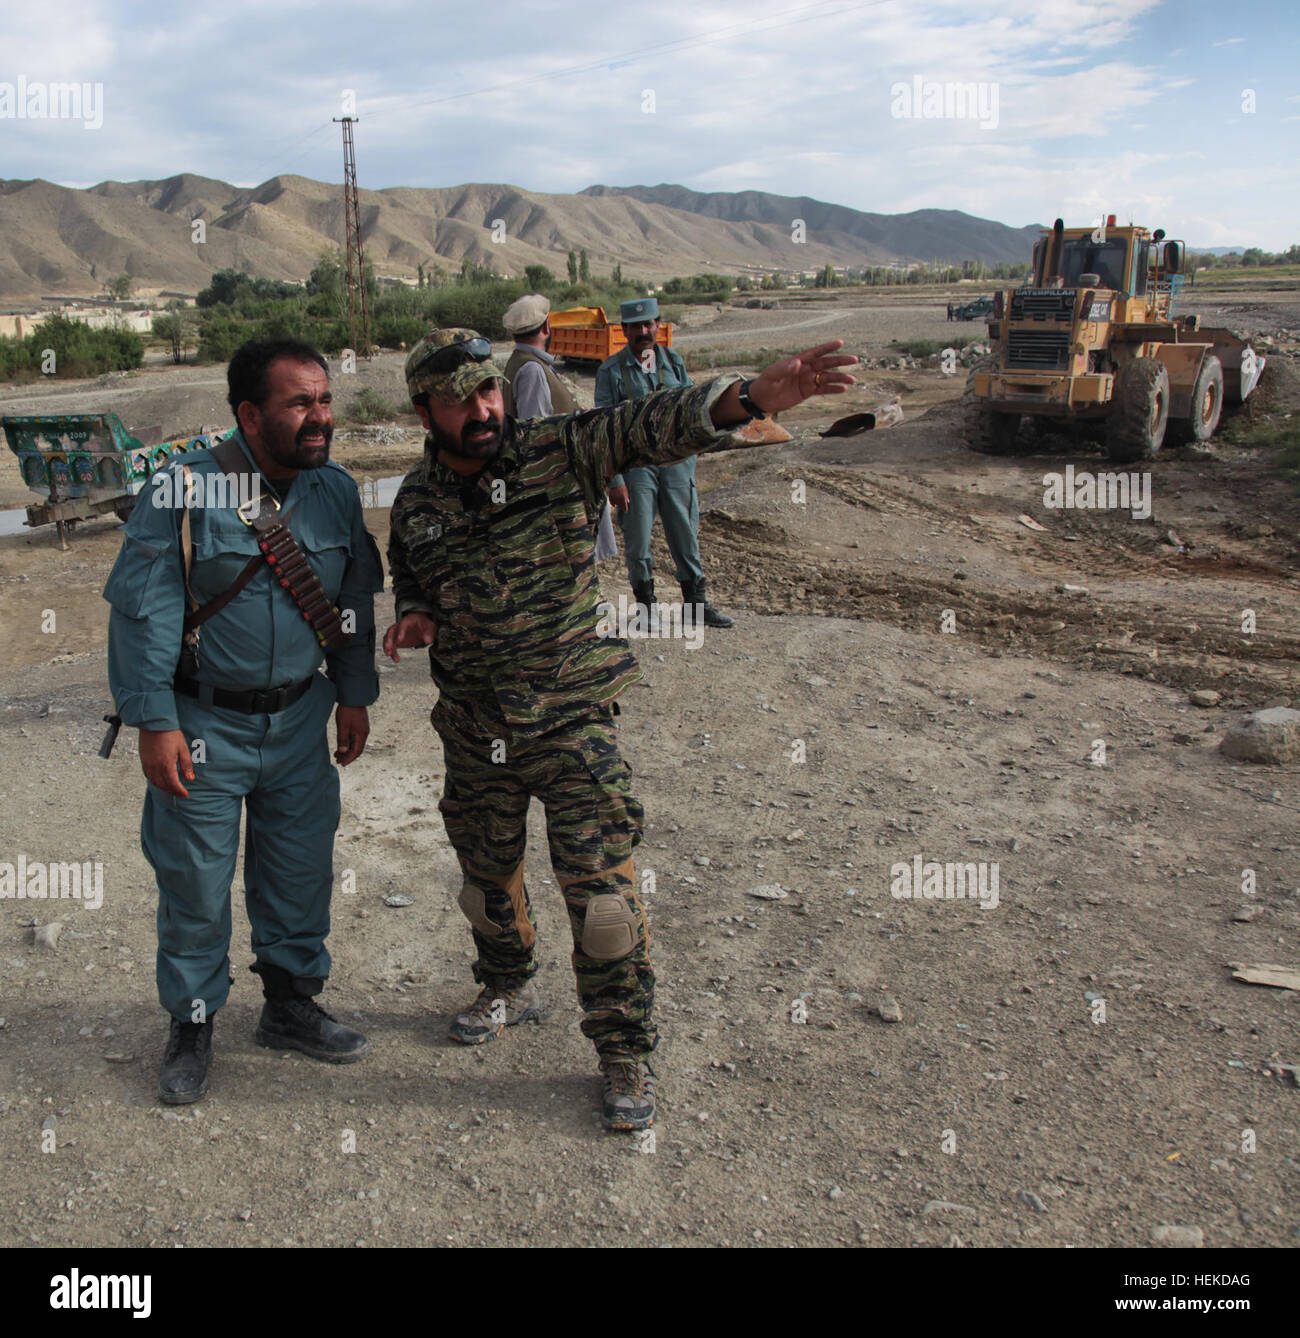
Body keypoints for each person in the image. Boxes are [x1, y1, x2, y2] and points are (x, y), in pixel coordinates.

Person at [383, 326, 856, 1130]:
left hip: (569, 716)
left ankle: (622, 1049)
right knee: (486, 882)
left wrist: (751, 398)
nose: (484, 407)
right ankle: (507, 985)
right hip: (473, 726)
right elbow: (410, 573)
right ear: (425, 412)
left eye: (489, 389)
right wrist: (416, 612)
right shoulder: (416, 500)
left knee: (602, 903)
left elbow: (654, 423)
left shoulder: (559, 448)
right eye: (460, 400)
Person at [103, 337, 383, 1105]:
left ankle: (290, 1007)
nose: (320, 417)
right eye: (300, 403)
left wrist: (353, 692)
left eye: (324, 400)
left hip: (300, 720)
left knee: (299, 872)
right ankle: (192, 1022)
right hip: (203, 724)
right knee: (193, 881)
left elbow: (353, 599)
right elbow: (145, 609)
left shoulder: (334, 491)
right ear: (250, 415)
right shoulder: (182, 489)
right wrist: (153, 720)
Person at [595, 298, 731, 628]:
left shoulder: (673, 362)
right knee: (638, 539)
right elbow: (602, 430)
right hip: (636, 467)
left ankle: (696, 606)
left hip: (676, 464)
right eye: (636, 326)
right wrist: (614, 481)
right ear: (624, 330)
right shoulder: (610, 372)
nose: (644, 332)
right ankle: (647, 608)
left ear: (658, 325)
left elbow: (690, 410)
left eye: (649, 324)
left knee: (685, 533)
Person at [501, 292, 617, 561]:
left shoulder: (526, 363)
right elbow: (538, 437)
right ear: (546, 327)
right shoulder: (532, 370)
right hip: (560, 487)